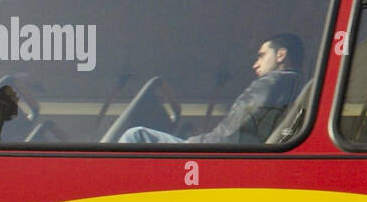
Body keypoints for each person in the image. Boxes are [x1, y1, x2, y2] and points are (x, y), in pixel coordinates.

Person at [118, 34, 304, 145]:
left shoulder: (270, 84)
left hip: (216, 153)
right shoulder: (292, 86)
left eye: (262, 56)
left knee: (136, 135)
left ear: (281, 54)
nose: (255, 65)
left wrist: (197, 141)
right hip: (225, 151)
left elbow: (233, 135)